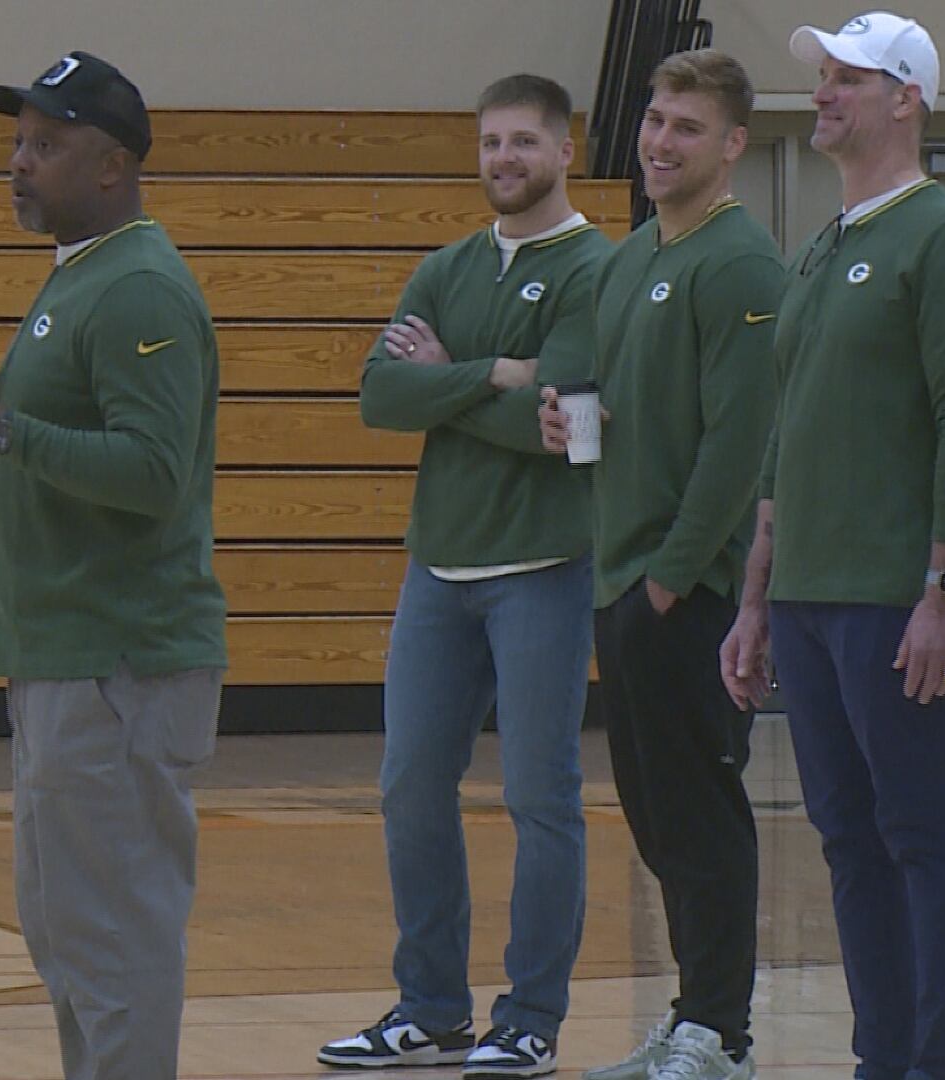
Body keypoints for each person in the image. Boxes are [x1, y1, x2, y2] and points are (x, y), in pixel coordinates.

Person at [0, 51, 227, 1080]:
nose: (19, 163)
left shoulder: (138, 290)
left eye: (46, 145)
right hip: (65, 660)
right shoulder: (80, 281)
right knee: (71, 939)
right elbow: (48, 436)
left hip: (117, 664)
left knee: (114, 943)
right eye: (16, 141)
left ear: (113, 165)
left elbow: (154, 474)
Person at [720, 13, 945, 1079]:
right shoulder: (823, 247)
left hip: (895, 599)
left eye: (851, 78)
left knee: (924, 836)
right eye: (824, 77)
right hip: (805, 596)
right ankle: (881, 1058)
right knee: (847, 841)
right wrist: (756, 595)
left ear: (908, 99)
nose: (826, 93)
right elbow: (784, 434)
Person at [315, 74, 609, 1079]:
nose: (503, 160)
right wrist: (493, 372)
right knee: (409, 790)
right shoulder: (443, 267)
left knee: (541, 796)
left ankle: (529, 1018)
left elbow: (566, 424)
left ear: (564, 151)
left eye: (523, 142)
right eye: (490, 142)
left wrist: (451, 380)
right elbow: (378, 398)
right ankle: (430, 1010)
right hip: (438, 568)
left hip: (545, 569)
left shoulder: (594, 269)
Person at [539, 49, 782, 1080]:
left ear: (732, 146)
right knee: (659, 821)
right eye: (654, 118)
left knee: (701, 817)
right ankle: (693, 1016)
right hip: (622, 576)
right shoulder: (631, 258)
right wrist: (566, 425)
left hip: (687, 591)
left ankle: (720, 1031)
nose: (660, 140)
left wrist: (673, 579)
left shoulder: (741, 266)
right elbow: (623, 406)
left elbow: (738, 446)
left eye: (687, 126)